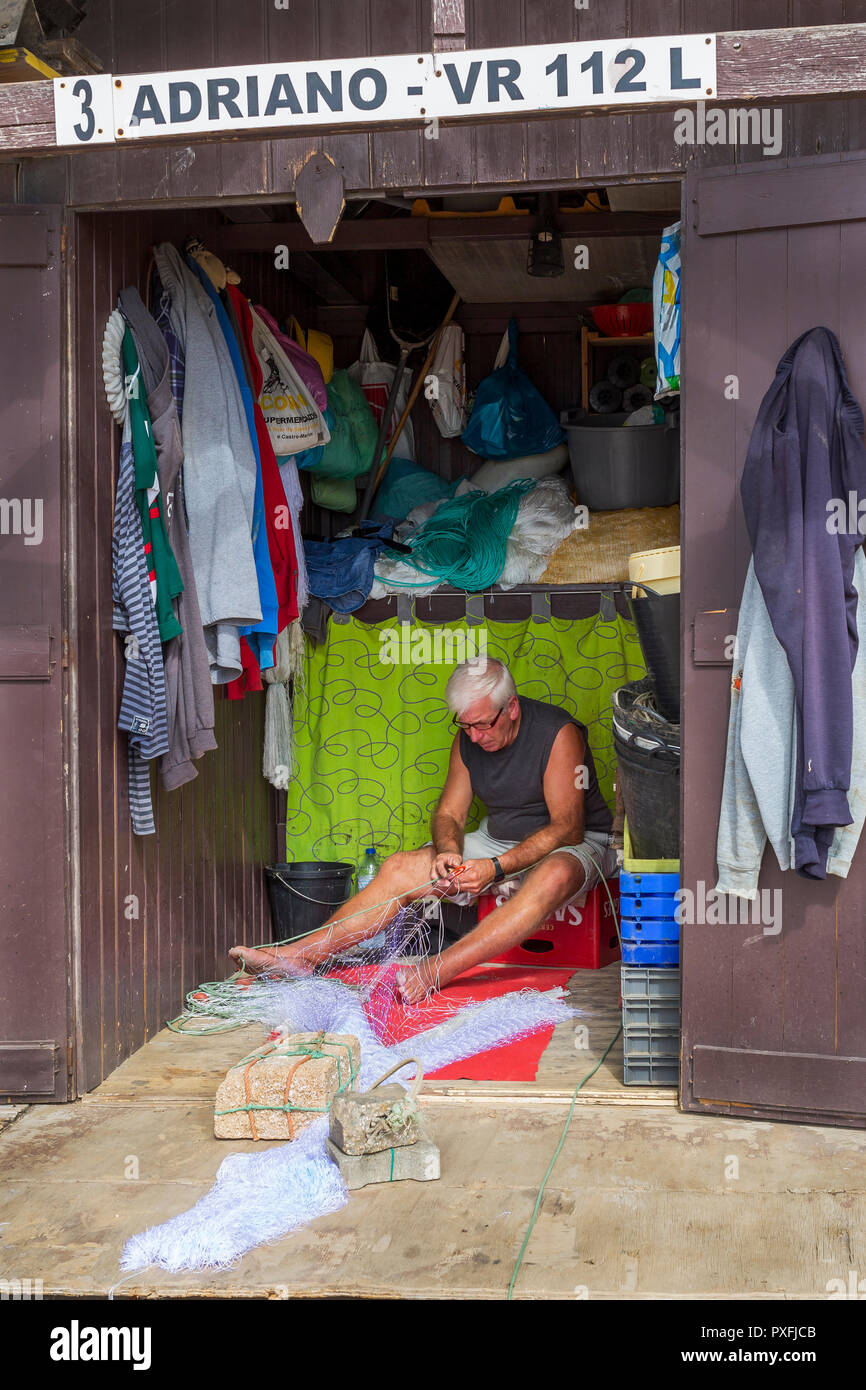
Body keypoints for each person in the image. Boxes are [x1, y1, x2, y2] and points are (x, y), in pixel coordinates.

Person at [229, 657, 617, 1001]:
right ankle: (300, 957)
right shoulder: (467, 738)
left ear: (511, 707)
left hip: (574, 845)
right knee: (401, 867)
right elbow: (450, 813)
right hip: (497, 842)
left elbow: (567, 828)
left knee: (554, 876)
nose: (475, 737)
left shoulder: (558, 732)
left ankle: (438, 969)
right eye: (465, 727)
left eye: (483, 725)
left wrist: (496, 868)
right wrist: (449, 851)